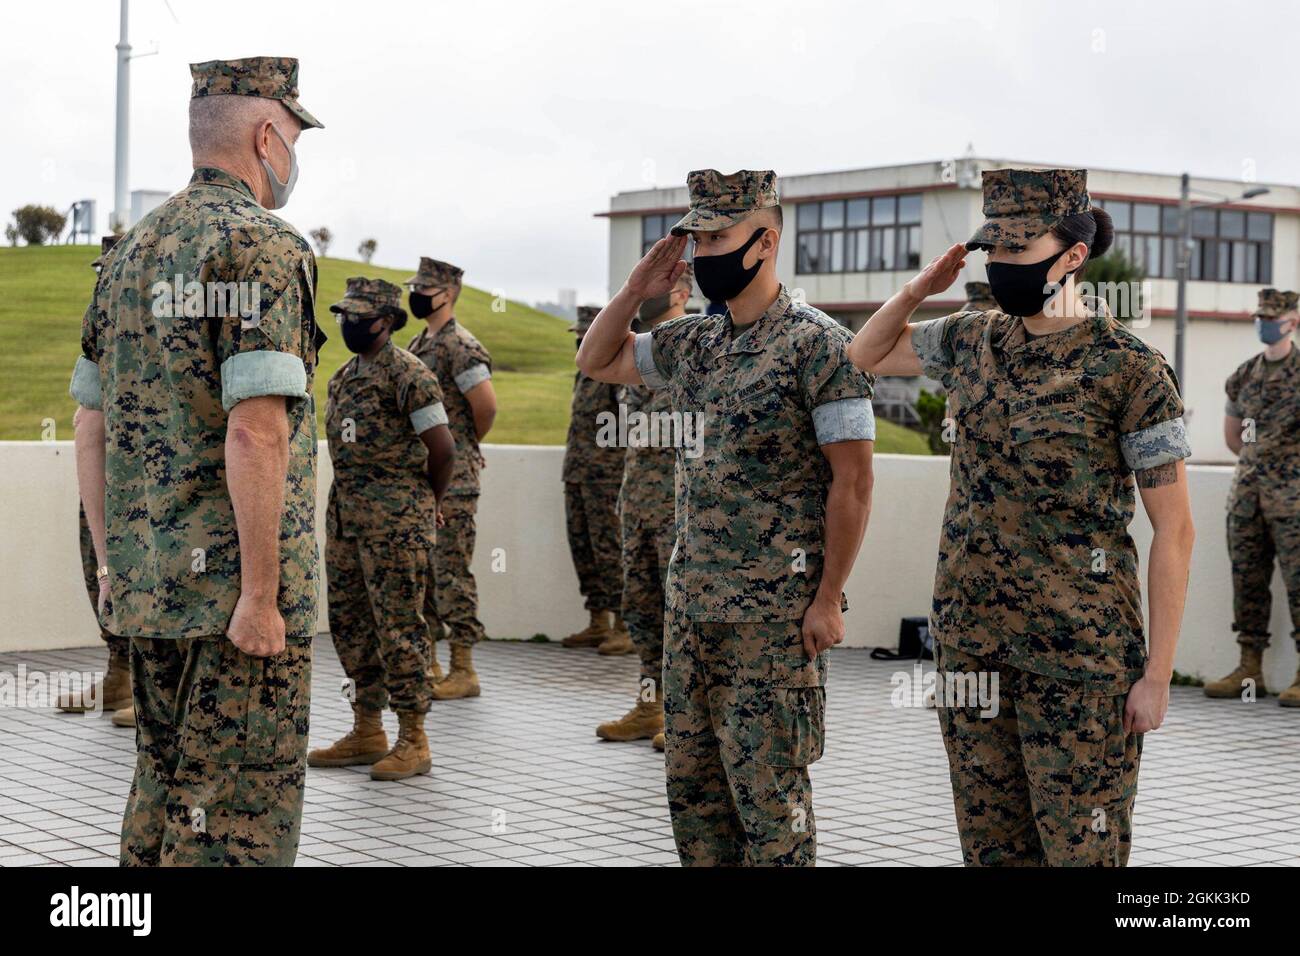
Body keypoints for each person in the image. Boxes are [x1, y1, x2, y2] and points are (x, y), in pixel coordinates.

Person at [847, 167, 1196, 866]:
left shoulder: (1130, 369)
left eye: (1018, 251)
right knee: (991, 850)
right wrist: (920, 287)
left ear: (1072, 255)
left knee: (1078, 854)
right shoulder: (974, 340)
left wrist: (1156, 675)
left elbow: (1176, 530)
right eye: (992, 251)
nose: (1001, 265)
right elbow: (863, 354)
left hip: (1081, 661)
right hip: (973, 649)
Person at [576, 169, 876, 866]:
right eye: (697, 236)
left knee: (770, 806)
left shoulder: (820, 347)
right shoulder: (696, 344)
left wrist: (828, 598)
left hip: (772, 621)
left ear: (766, 241)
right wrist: (634, 291)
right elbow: (598, 360)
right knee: (694, 795)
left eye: (719, 235)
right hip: (694, 612)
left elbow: (854, 481)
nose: (704, 249)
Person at [70, 56, 324, 866]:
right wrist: (259, 595)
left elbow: (89, 425)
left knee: (164, 790)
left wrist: (113, 569)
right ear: (266, 134)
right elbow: (256, 432)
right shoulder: (262, 247)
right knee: (235, 817)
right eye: (292, 134)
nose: (292, 153)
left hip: (149, 589)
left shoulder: (128, 254)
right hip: (231, 605)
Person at [308, 278, 454, 780]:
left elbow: (444, 449)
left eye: (361, 317)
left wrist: (425, 504)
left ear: (389, 321)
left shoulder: (411, 374)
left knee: (400, 627)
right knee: (352, 625)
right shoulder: (345, 376)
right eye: (344, 316)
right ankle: (366, 728)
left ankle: (414, 737)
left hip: (397, 524)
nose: (350, 324)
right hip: (348, 520)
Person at [595, 264, 693, 749]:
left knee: (681, 616)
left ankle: (683, 716)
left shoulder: (692, 349)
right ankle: (650, 704)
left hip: (680, 509)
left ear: (682, 292)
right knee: (642, 610)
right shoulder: (640, 351)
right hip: (638, 503)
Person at [405, 257, 496, 699]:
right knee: (423, 573)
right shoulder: (419, 342)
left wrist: (464, 449)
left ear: (448, 294)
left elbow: (486, 407)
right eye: (415, 286)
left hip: (455, 480)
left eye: (426, 288)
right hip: (424, 478)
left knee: (452, 570)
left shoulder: (462, 346)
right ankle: (431, 661)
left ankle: (464, 667)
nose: (417, 294)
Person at [58, 235, 133, 727]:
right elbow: (88, 410)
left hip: (146, 481)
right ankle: (119, 671)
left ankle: (147, 687)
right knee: (99, 571)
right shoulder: (103, 324)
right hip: (104, 475)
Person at [1212, 287, 1300, 706]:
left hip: (1295, 502)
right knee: (1247, 581)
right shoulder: (1245, 374)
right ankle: (1250, 668)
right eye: (1260, 317)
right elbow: (1232, 437)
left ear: (1292, 322)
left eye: (1272, 318)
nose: (1264, 324)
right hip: (1247, 499)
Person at [562, 306, 631, 652]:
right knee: (583, 548)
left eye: (583, 336)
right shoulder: (582, 374)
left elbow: (631, 427)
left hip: (605, 477)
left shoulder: (613, 375)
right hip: (577, 473)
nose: (579, 342)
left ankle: (624, 624)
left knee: (610, 550)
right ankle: (597, 620)